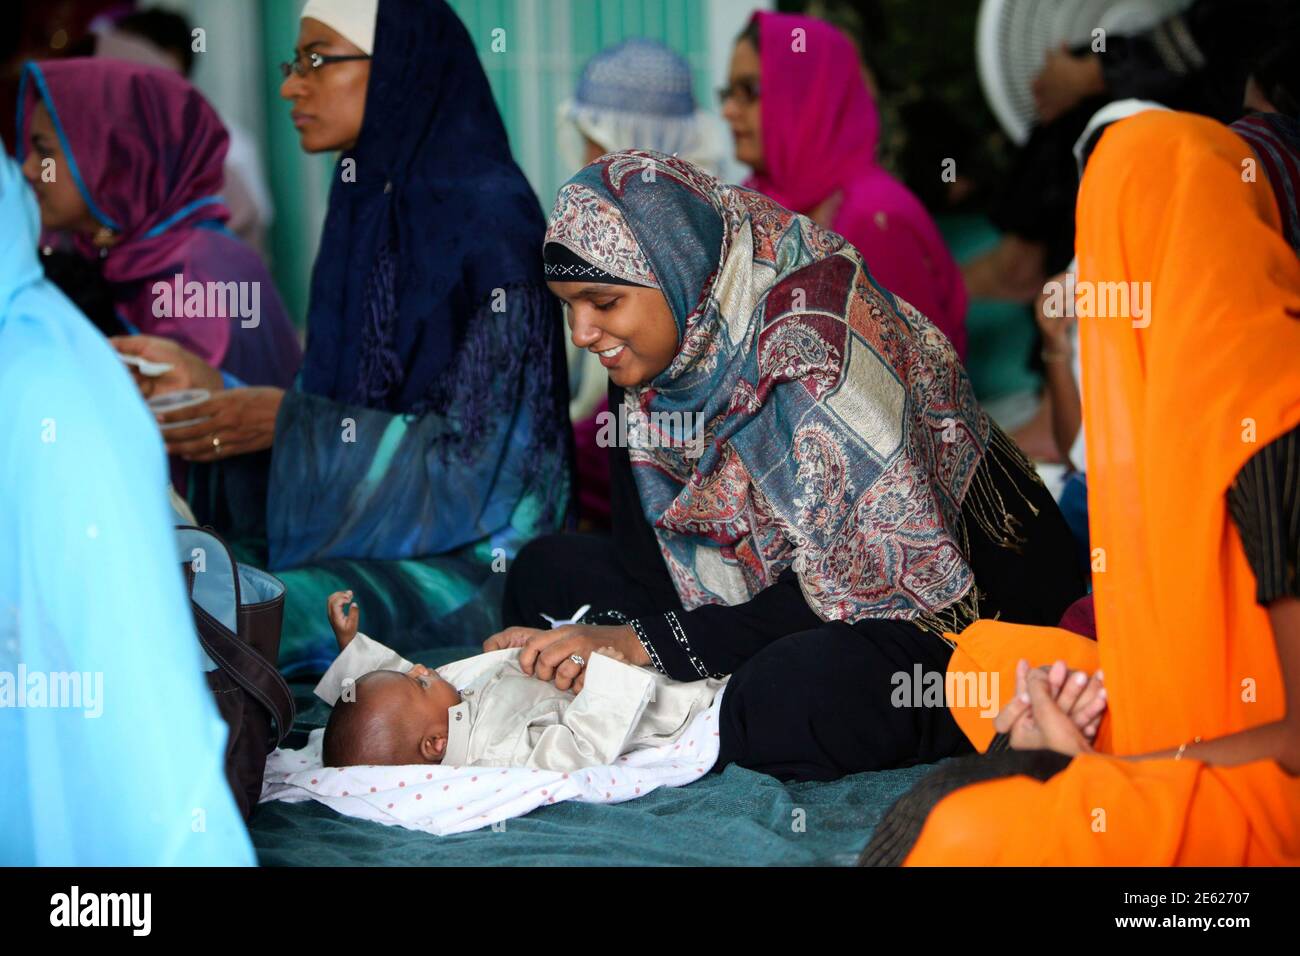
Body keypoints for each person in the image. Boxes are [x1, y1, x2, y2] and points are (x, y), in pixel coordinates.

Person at [487, 149, 1084, 781]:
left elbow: (864, 587)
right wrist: (608, 640)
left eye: (602, 302)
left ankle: (706, 695)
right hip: (761, 592)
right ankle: (691, 687)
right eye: (567, 305)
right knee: (543, 575)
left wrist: (646, 644)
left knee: (789, 696)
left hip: (944, 616)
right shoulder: (656, 357)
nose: (582, 332)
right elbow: (650, 563)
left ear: (679, 269)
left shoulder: (814, 348)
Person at [865, 112, 1300, 866]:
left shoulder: (1276, 425)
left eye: (1115, 247)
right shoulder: (1171, 399)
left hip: (1269, 779)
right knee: (985, 664)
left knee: (962, 830)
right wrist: (1066, 718)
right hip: (1196, 717)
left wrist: (1104, 769)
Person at [115, 0, 572, 673]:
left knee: (209, 614)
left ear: (395, 64)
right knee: (148, 579)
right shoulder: (366, 197)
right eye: (293, 61)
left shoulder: (489, 219)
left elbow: (490, 470)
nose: (290, 86)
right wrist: (221, 396)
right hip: (368, 543)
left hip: (476, 565)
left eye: (317, 61)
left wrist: (284, 424)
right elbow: (340, 411)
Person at [0, 150, 253, 865]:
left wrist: (240, 405)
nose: (32, 169)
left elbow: (145, 730)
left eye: (53, 147)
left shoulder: (49, 383)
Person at [16, 57, 301, 389]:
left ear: (118, 157)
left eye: (45, 152)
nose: (29, 170)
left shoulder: (195, 279)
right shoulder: (123, 251)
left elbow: (180, 419)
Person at [722, 11, 968, 359]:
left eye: (749, 90)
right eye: (727, 93)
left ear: (805, 93)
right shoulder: (754, 204)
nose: (729, 110)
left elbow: (914, 385)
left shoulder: (874, 219)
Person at [559, 37, 726, 527]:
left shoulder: (681, 234)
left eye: (595, 137)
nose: (586, 154)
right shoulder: (630, 216)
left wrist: (553, 449)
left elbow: (664, 416)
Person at [316, 591, 721, 770]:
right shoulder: (496, 750)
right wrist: (610, 679)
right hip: (642, 689)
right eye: (418, 683)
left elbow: (382, 698)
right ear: (435, 744)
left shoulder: (442, 703)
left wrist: (351, 648)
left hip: (574, 653)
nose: (422, 670)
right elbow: (579, 750)